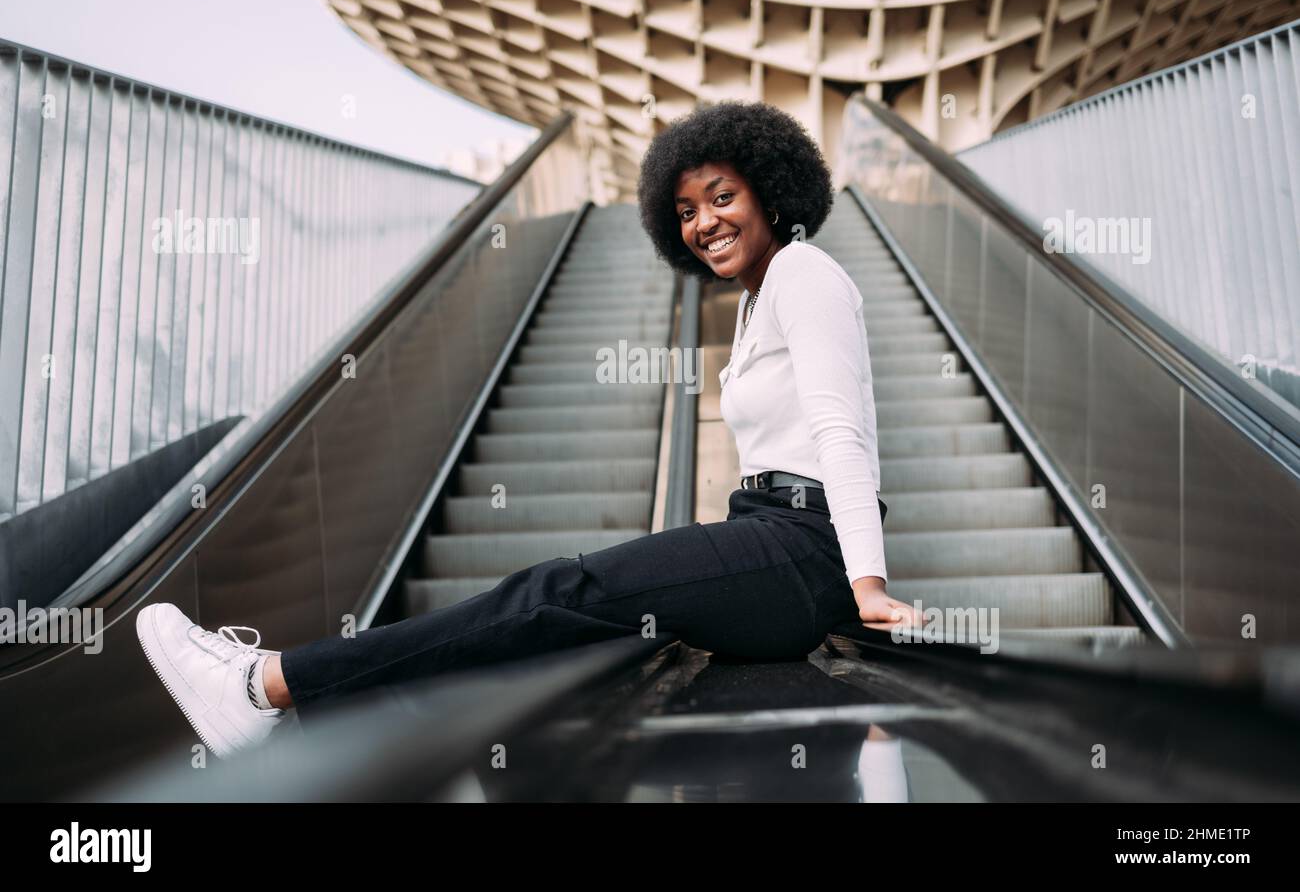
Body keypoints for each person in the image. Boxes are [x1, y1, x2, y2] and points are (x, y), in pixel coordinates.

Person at [136, 101, 921, 759]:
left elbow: (837, 431)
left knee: (556, 592)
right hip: (770, 538)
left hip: (799, 549)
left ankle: (265, 684)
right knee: (579, 629)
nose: (703, 223)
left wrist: (868, 586)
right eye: (684, 211)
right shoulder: (754, 299)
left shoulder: (803, 273)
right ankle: (334, 721)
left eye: (722, 197)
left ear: (772, 188)